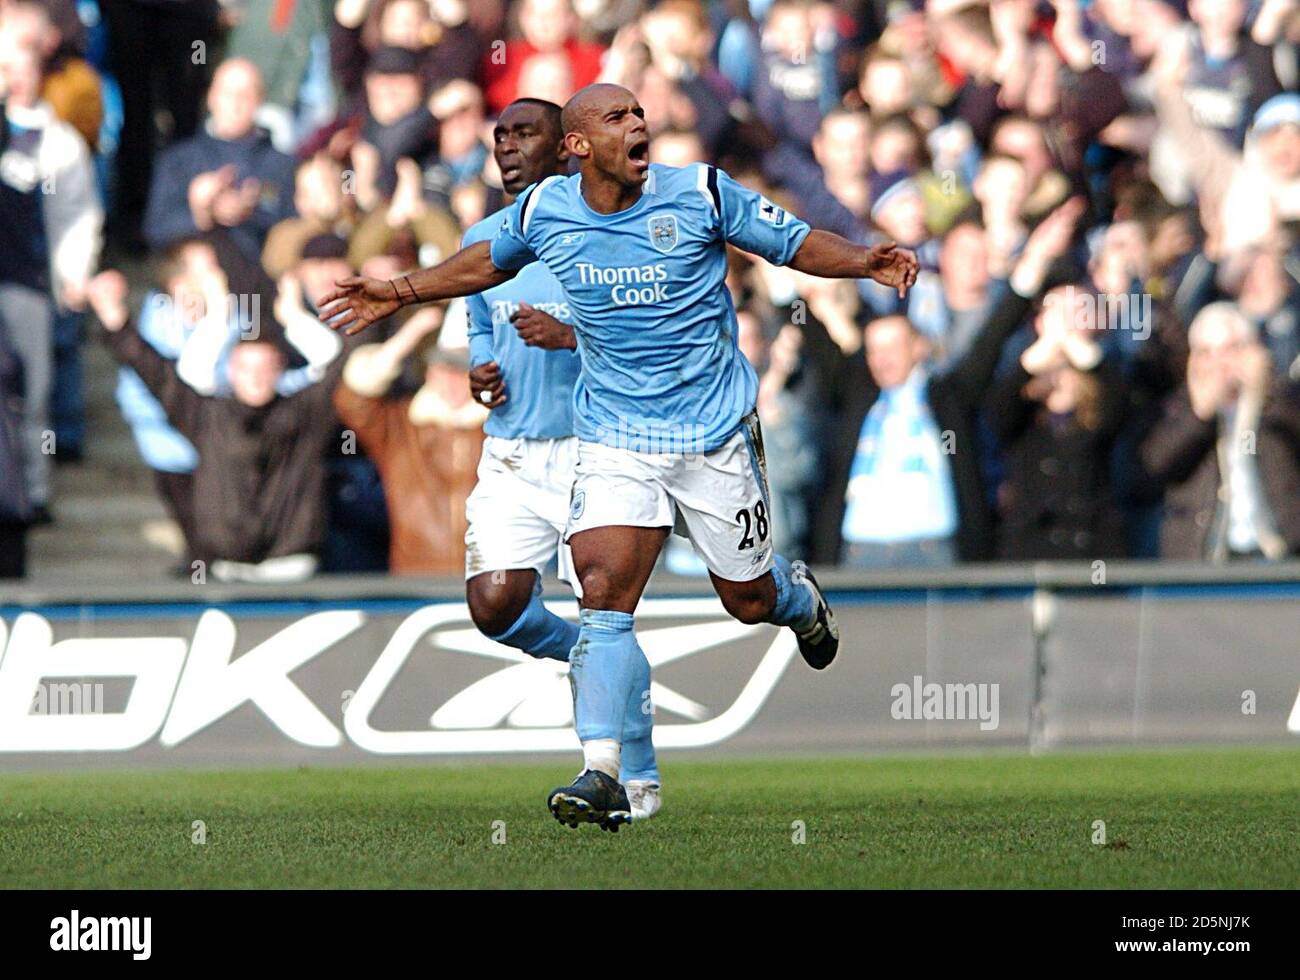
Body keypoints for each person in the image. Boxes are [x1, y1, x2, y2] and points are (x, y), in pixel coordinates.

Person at [319, 83, 918, 830]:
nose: (638, 123)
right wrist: (398, 291)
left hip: (712, 434)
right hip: (614, 436)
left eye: (638, 112)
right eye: (617, 117)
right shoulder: (548, 211)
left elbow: (792, 242)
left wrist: (863, 260)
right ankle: (605, 771)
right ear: (578, 147)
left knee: (748, 600)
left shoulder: (700, 192)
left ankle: (797, 601)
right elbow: (484, 265)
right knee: (602, 594)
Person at [458, 97, 662, 821]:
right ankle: (595, 658)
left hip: (595, 446)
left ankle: (632, 776)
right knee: (494, 603)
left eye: (525, 134)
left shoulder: (613, 232)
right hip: (512, 448)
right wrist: (481, 369)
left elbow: (651, 337)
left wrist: (572, 336)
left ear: (568, 147)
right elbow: (478, 319)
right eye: (499, 136)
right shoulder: (485, 238)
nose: (507, 147)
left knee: (605, 605)